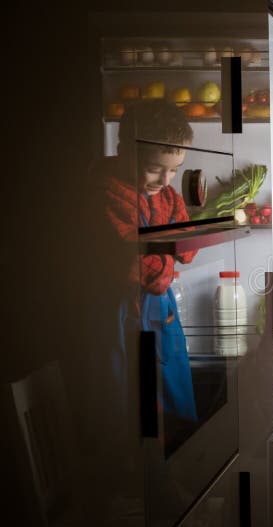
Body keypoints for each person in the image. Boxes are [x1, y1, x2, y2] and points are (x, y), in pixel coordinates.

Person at [91, 98, 199, 442]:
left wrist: (173, 247)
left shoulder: (167, 196)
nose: (165, 180)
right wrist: (169, 252)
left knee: (172, 407)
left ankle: (170, 462)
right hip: (120, 313)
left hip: (162, 312)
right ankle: (133, 468)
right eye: (154, 168)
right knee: (129, 403)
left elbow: (188, 245)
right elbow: (138, 265)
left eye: (175, 170)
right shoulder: (106, 194)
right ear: (125, 152)